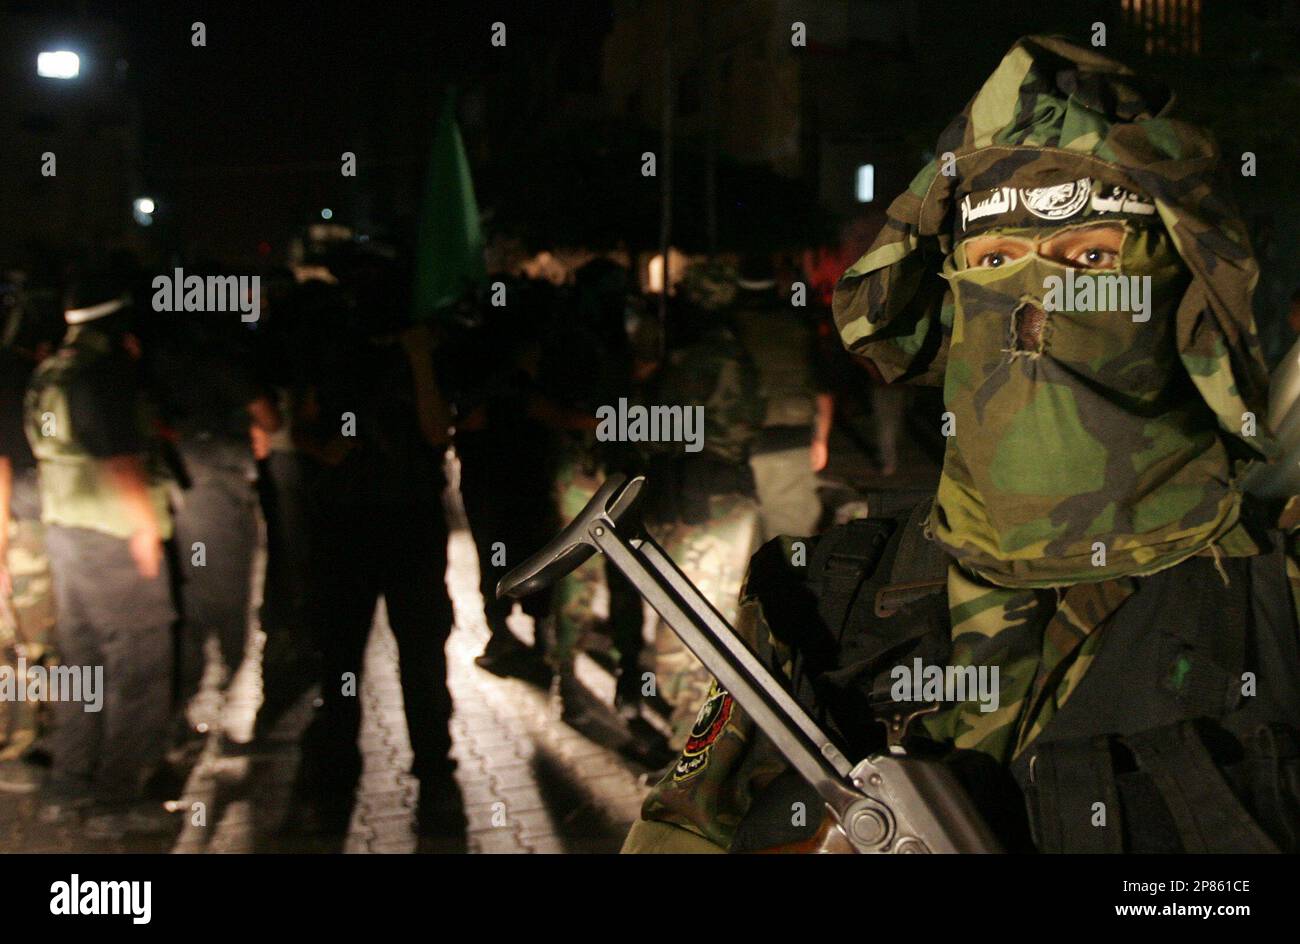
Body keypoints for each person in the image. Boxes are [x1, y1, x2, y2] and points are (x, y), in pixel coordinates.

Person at [623, 36, 1300, 853]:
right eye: (993, 261)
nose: (1032, 306)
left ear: (1178, 293)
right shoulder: (824, 603)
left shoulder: (1278, 605)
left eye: (1090, 259)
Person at [289, 247, 460, 840]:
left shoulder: (422, 353)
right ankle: (337, 776)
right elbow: (301, 423)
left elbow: (439, 430)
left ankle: (435, 773)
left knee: (422, 657)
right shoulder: (331, 347)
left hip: (409, 521)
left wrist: (418, 360)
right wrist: (325, 449)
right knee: (340, 659)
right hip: (345, 525)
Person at [25, 277, 177, 840]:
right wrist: (144, 535)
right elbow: (121, 461)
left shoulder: (50, 370)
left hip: (66, 533)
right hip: (114, 539)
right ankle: (118, 798)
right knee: (139, 669)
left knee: (80, 665)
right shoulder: (104, 373)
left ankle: (68, 784)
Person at [640, 261, 765, 754]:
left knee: (688, 632)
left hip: (705, 501)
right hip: (714, 498)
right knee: (701, 624)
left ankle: (688, 760)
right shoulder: (726, 351)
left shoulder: (700, 359)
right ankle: (697, 743)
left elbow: (662, 431)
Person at [0, 274, 61, 790]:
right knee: (34, 638)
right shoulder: (33, 376)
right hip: (28, 520)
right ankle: (30, 740)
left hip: (17, 522)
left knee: (22, 638)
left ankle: (26, 739)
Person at [730, 254, 831, 539]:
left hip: (736, 446)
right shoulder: (797, 326)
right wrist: (820, 439)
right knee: (790, 537)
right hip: (790, 441)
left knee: (738, 541)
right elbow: (822, 390)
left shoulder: (726, 328)